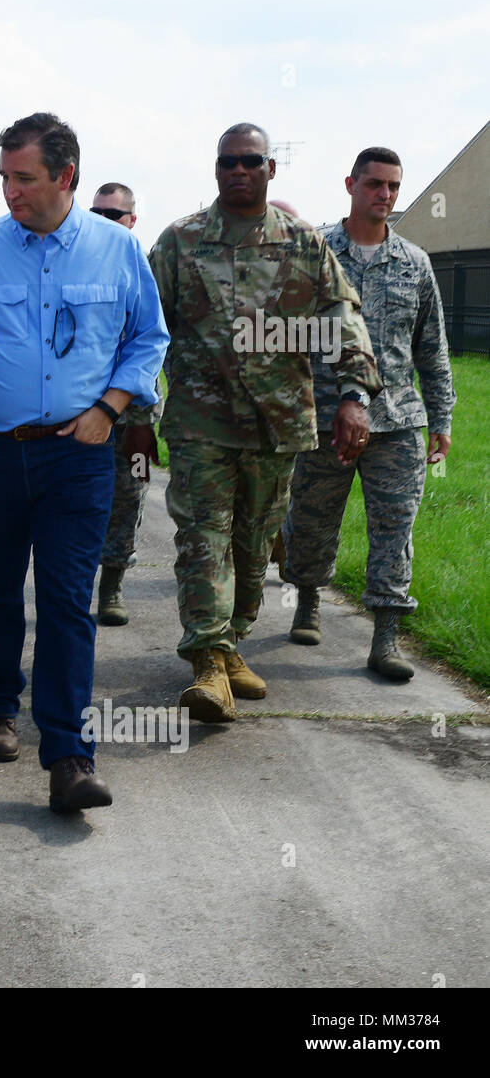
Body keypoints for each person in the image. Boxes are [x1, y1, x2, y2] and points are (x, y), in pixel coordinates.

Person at [0, 112, 168, 812]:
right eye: (2, 176)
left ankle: (68, 754)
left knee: (66, 601)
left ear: (66, 177)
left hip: (78, 456)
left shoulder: (117, 250)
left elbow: (149, 338)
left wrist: (111, 408)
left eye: (23, 178)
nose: (9, 191)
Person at [149, 122, 381, 722]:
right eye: (227, 161)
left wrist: (355, 394)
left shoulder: (304, 243)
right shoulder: (180, 242)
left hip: (277, 425)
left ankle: (232, 645)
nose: (238, 170)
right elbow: (144, 331)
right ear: (216, 167)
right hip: (202, 424)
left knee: (254, 545)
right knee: (203, 539)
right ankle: (207, 659)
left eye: (251, 160)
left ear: (271, 168)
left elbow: (342, 315)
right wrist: (133, 410)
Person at [283, 147, 455, 680]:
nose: (385, 195)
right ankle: (308, 596)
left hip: (398, 422)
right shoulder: (316, 251)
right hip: (323, 418)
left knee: (394, 529)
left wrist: (442, 419)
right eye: (375, 184)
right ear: (350, 185)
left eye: (394, 187)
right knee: (311, 521)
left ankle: (385, 636)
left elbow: (432, 347)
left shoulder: (415, 263)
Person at [88, 182, 164, 626]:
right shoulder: (78, 265)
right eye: (96, 213)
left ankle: (113, 585)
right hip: (85, 409)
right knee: (80, 498)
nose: (104, 222)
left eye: (114, 215)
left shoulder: (147, 269)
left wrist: (149, 416)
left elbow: (157, 344)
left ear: (132, 221)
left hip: (135, 414)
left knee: (130, 495)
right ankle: (77, 585)